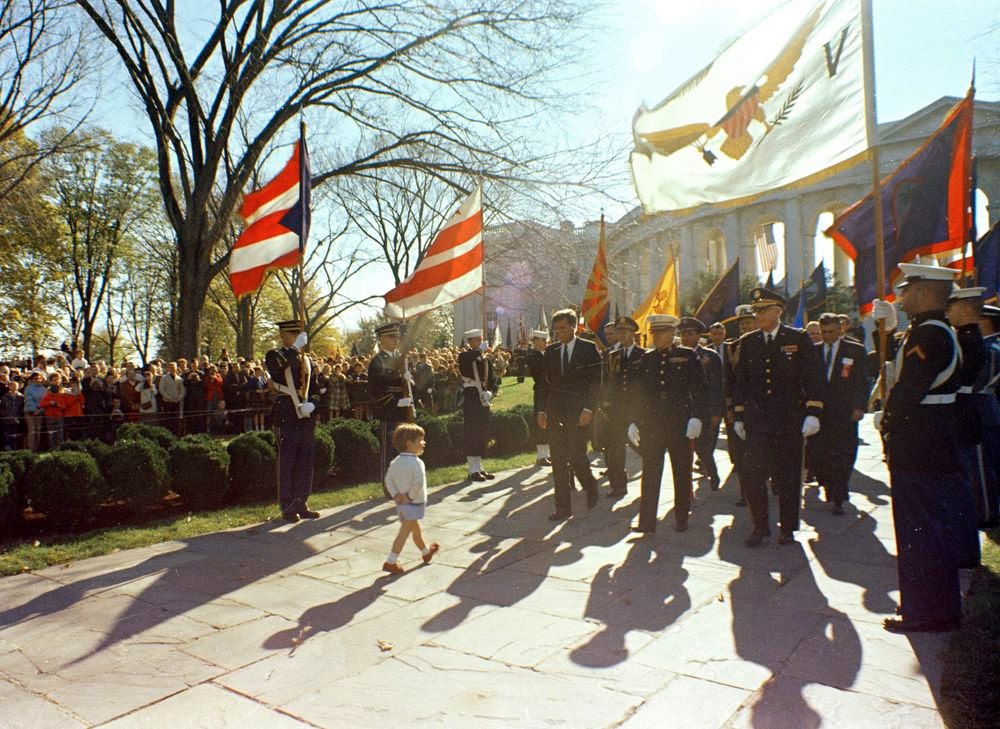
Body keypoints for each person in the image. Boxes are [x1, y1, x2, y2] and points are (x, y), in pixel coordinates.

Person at [872, 263, 963, 633]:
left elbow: (909, 390)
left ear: (925, 294)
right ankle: (930, 604)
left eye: (907, 290)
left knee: (920, 530)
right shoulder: (931, 331)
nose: (900, 295)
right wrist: (890, 332)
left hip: (920, 443)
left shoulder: (929, 335)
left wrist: (888, 419)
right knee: (926, 527)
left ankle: (927, 611)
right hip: (929, 442)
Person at [732, 287, 823, 547]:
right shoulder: (749, 342)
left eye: (763, 310)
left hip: (789, 421)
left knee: (788, 477)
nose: (758, 314)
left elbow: (813, 377)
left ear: (778, 311)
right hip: (758, 423)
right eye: (756, 310)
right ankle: (760, 525)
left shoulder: (798, 338)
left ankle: (788, 527)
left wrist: (813, 412)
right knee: (751, 475)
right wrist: (739, 415)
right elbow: (742, 381)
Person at [628, 314, 707, 533]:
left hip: (679, 422)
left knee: (681, 472)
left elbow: (700, 389)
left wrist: (697, 416)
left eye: (661, 333)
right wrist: (634, 421)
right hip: (653, 424)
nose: (656, 337)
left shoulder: (687, 355)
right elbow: (639, 393)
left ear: (672, 333)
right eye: (654, 333)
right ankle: (646, 521)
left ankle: (681, 518)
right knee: (650, 473)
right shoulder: (647, 358)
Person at [537, 309, 601, 521]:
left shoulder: (588, 349)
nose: (560, 332)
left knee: (576, 456)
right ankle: (563, 508)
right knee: (558, 460)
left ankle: (590, 486)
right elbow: (544, 385)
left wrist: (589, 409)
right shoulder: (552, 351)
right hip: (556, 413)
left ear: (574, 327)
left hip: (579, 413)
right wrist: (541, 410)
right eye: (557, 329)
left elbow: (596, 383)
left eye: (563, 328)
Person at [946, 286, 996, 543]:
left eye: (951, 307)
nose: (947, 312)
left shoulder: (970, 340)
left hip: (971, 408)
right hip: (971, 407)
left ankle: (985, 515)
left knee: (974, 469)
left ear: (966, 310)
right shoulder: (969, 338)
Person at [807, 313, 870, 514]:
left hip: (845, 412)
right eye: (824, 332)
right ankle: (827, 484)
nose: (827, 336)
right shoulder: (813, 351)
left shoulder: (855, 350)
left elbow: (862, 381)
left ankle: (839, 496)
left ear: (841, 329)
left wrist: (860, 406)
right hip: (820, 411)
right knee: (818, 453)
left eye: (831, 332)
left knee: (843, 454)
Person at [265, 319, 322, 523]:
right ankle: (288, 505)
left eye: (299, 336)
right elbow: (278, 367)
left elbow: (316, 387)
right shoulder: (274, 355)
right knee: (287, 462)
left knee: (305, 462)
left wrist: (313, 404)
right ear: (283, 336)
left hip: (305, 416)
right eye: (293, 335)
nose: (297, 339)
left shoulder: (306, 359)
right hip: (286, 414)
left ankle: (301, 502)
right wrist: (295, 348)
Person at [382, 423, 440, 574]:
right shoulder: (417, 462)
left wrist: (396, 495)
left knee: (415, 529)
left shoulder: (395, 462)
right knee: (405, 532)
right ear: (409, 444)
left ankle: (426, 551)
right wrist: (409, 497)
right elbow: (418, 483)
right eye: (420, 440)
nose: (424, 443)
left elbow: (388, 480)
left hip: (402, 504)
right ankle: (391, 561)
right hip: (414, 503)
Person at [601, 316, 645, 498]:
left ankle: (649, 485)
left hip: (638, 412)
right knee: (614, 450)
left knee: (645, 449)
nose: (622, 334)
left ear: (633, 333)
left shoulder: (644, 355)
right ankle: (618, 486)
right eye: (619, 331)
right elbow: (608, 383)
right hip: (617, 412)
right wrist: (604, 406)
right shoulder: (613, 356)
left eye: (625, 331)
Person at [678, 317, 723, 490]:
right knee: (683, 448)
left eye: (689, 334)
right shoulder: (676, 354)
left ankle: (712, 472)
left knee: (703, 447)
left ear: (698, 335)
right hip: (683, 409)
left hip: (703, 409)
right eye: (682, 334)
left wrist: (715, 412)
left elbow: (716, 386)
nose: (685, 338)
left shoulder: (710, 356)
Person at [368, 322, 413, 481]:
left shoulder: (400, 359)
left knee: (403, 449)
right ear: (382, 339)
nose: (395, 340)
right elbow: (378, 387)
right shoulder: (377, 361)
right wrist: (397, 401)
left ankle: (402, 483)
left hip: (403, 409)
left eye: (397, 337)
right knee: (390, 451)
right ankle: (389, 485)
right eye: (391, 337)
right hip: (388, 410)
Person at [723, 304, 757, 505]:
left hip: (764, 408)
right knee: (742, 454)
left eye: (748, 322)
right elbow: (729, 380)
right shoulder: (733, 347)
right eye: (742, 323)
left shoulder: (766, 343)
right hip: (741, 407)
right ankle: (746, 494)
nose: (745, 326)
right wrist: (729, 407)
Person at [458, 329, 494, 482]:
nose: (480, 342)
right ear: (470, 341)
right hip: (472, 398)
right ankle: (472, 469)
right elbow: (468, 362)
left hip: (483, 399)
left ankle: (479, 467)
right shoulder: (465, 355)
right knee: (472, 432)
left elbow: (492, 379)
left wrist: (490, 392)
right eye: (477, 339)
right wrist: (479, 351)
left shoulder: (485, 359)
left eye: (481, 339)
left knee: (482, 432)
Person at [526, 329, 552, 466]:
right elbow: (539, 373)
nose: (544, 343)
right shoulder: (533, 356)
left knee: (549, 421)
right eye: (541, 341)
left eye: (544, 341)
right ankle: (541, 455)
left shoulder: (547, 354)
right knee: (540, 421)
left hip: (550, 391)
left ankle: (547, 453)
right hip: (541, 389)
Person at [158, 362, 186, 435]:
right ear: (168, 368)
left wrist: (178, 399)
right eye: (171, 367)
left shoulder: (180, 379)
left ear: (176, 368)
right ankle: (167, 434)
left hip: (176, 402)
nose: (172, 369)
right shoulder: (164, 378)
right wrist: (169, 398)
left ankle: (176, 435)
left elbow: (183, 390)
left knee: (176, 420)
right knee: (167, 419)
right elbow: (161, 390)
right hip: (167, 402)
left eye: (174, 368)